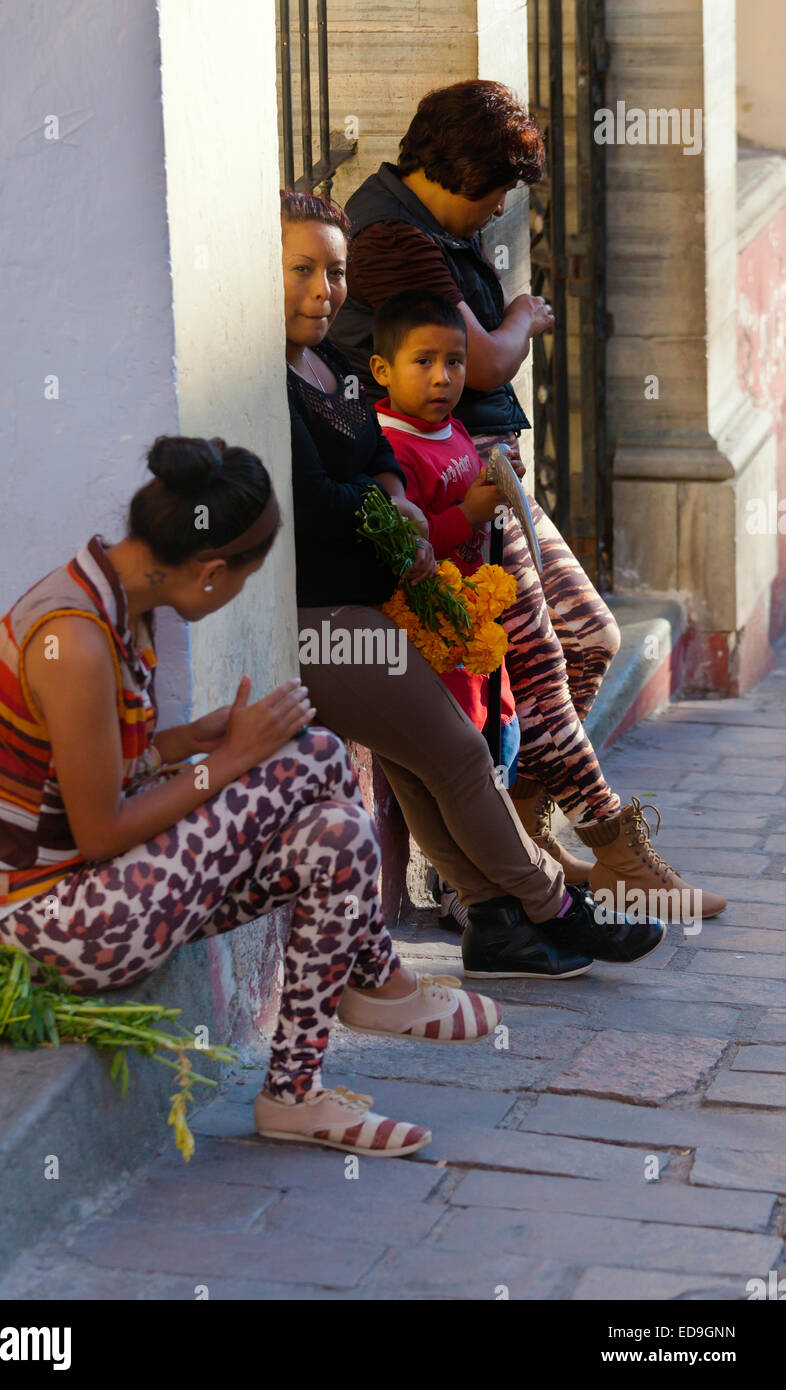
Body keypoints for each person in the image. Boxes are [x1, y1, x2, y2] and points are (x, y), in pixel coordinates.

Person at [0, 435, 508, 1159]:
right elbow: (102, 832)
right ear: (210, 572)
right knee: (321, 753)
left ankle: (295, 1093)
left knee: (336, 834)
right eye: (246, 576)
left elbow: (105, 766)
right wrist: (232, 759)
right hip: (48, 923)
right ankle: (377, 979)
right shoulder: (75, 640)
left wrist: (197, 739)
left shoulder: (113, 599)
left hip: (97, 890)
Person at [330, 79, 726, 924]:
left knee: (591, 637)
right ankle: (610, 847)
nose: (504, 204)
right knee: (545, 669)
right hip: (448, 489)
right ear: (468, 170)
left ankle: (516, 825)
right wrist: (521, 316)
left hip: (482, 475)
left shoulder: (428, 226)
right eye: (502, 186)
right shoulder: (392, 234)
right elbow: (477, 362)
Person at [282, 188, 666, 978]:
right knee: (457, 755)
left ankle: (493, 923)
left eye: (337, 271)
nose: (326, 291)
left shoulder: (328, 365)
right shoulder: (268, 381)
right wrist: (397, 510)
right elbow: (316, 499)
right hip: (323, 616)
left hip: (378, 604)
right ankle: (555, 902)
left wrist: (392, 495)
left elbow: (376, 461)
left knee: (421, 766)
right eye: (302, 270)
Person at [370, 286, 520, 929]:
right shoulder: (391, 449)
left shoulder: (450, 428)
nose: (442, 377)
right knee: (453, 759)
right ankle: (462, 884)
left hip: (471, 624)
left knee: (497, 734)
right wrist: (470, 513)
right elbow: (408, 542)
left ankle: (499, 863)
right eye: (423, 361)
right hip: (427, 633)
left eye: (455, 362)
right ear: (382, 370)